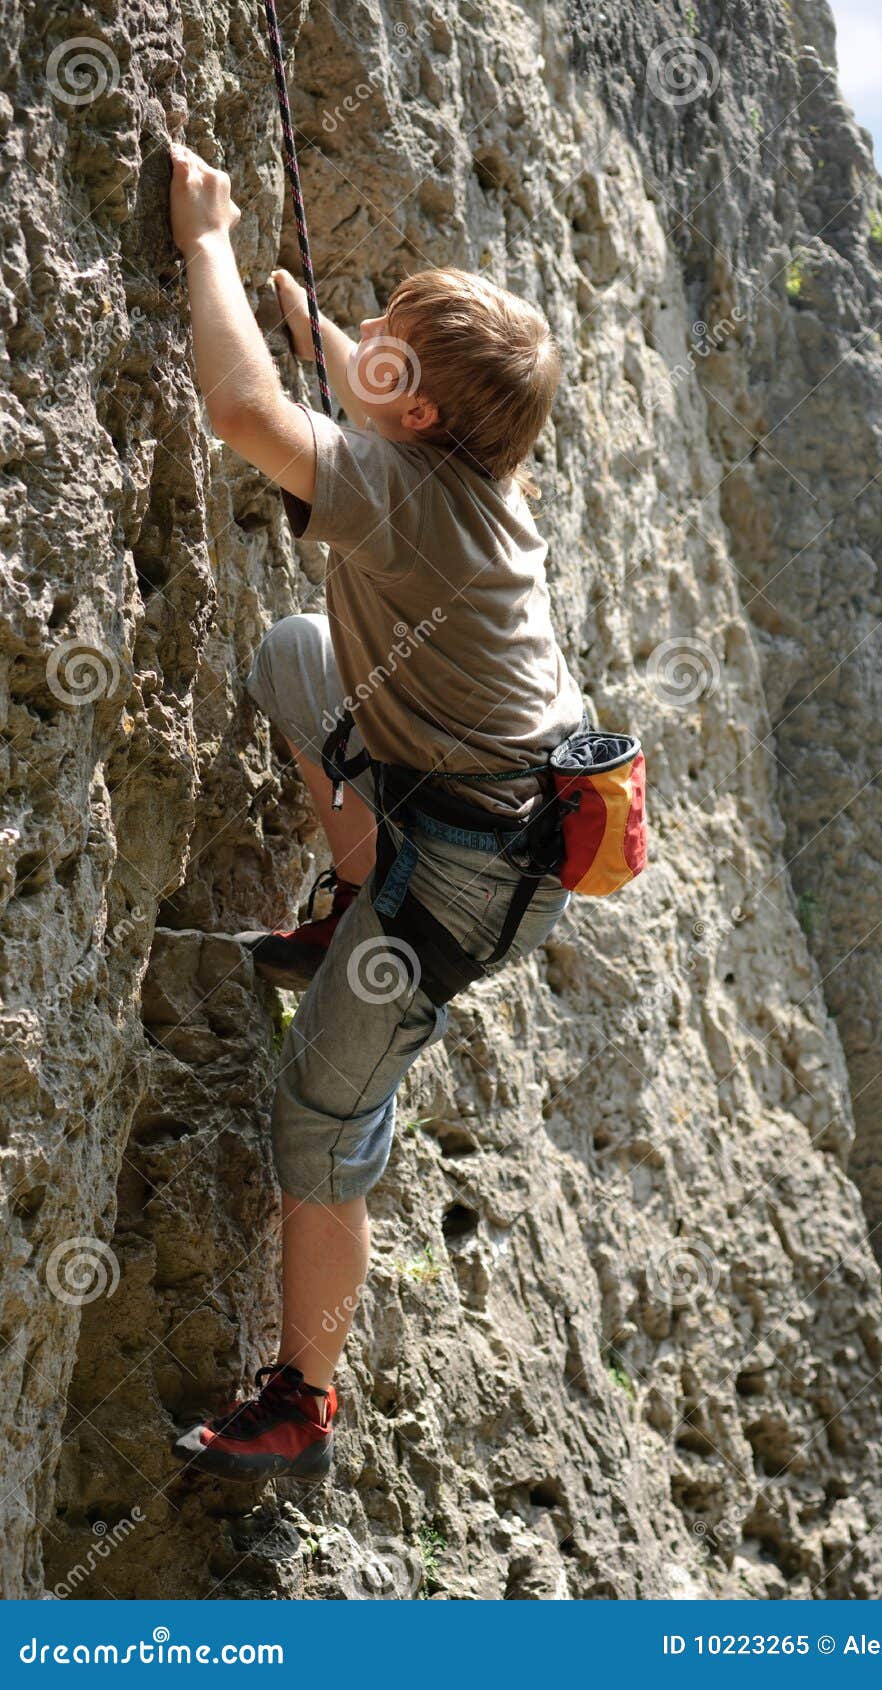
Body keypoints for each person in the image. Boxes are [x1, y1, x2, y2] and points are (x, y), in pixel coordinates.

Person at [166, 144, 584, 1480]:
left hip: (464, 880)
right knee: (301, 655)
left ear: (414, 421)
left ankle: (304, 1402)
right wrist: (325, 330)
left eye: (389, 354)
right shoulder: (478, 469)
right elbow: (371, 395)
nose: (367, 353)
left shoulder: (403, 499)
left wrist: (208, 246)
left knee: (318, 1120)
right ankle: (352, 893)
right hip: (469, 802)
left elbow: (241, 411)